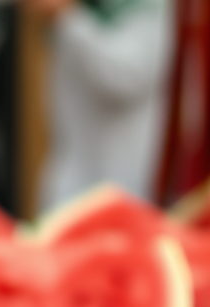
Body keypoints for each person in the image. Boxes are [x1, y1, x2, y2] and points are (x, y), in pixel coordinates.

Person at [33, 0, 174, 210]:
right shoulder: (87, 11)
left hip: (129, 186)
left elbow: (124, 77)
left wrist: (68, 17)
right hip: (72, 184)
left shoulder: (151, 10)